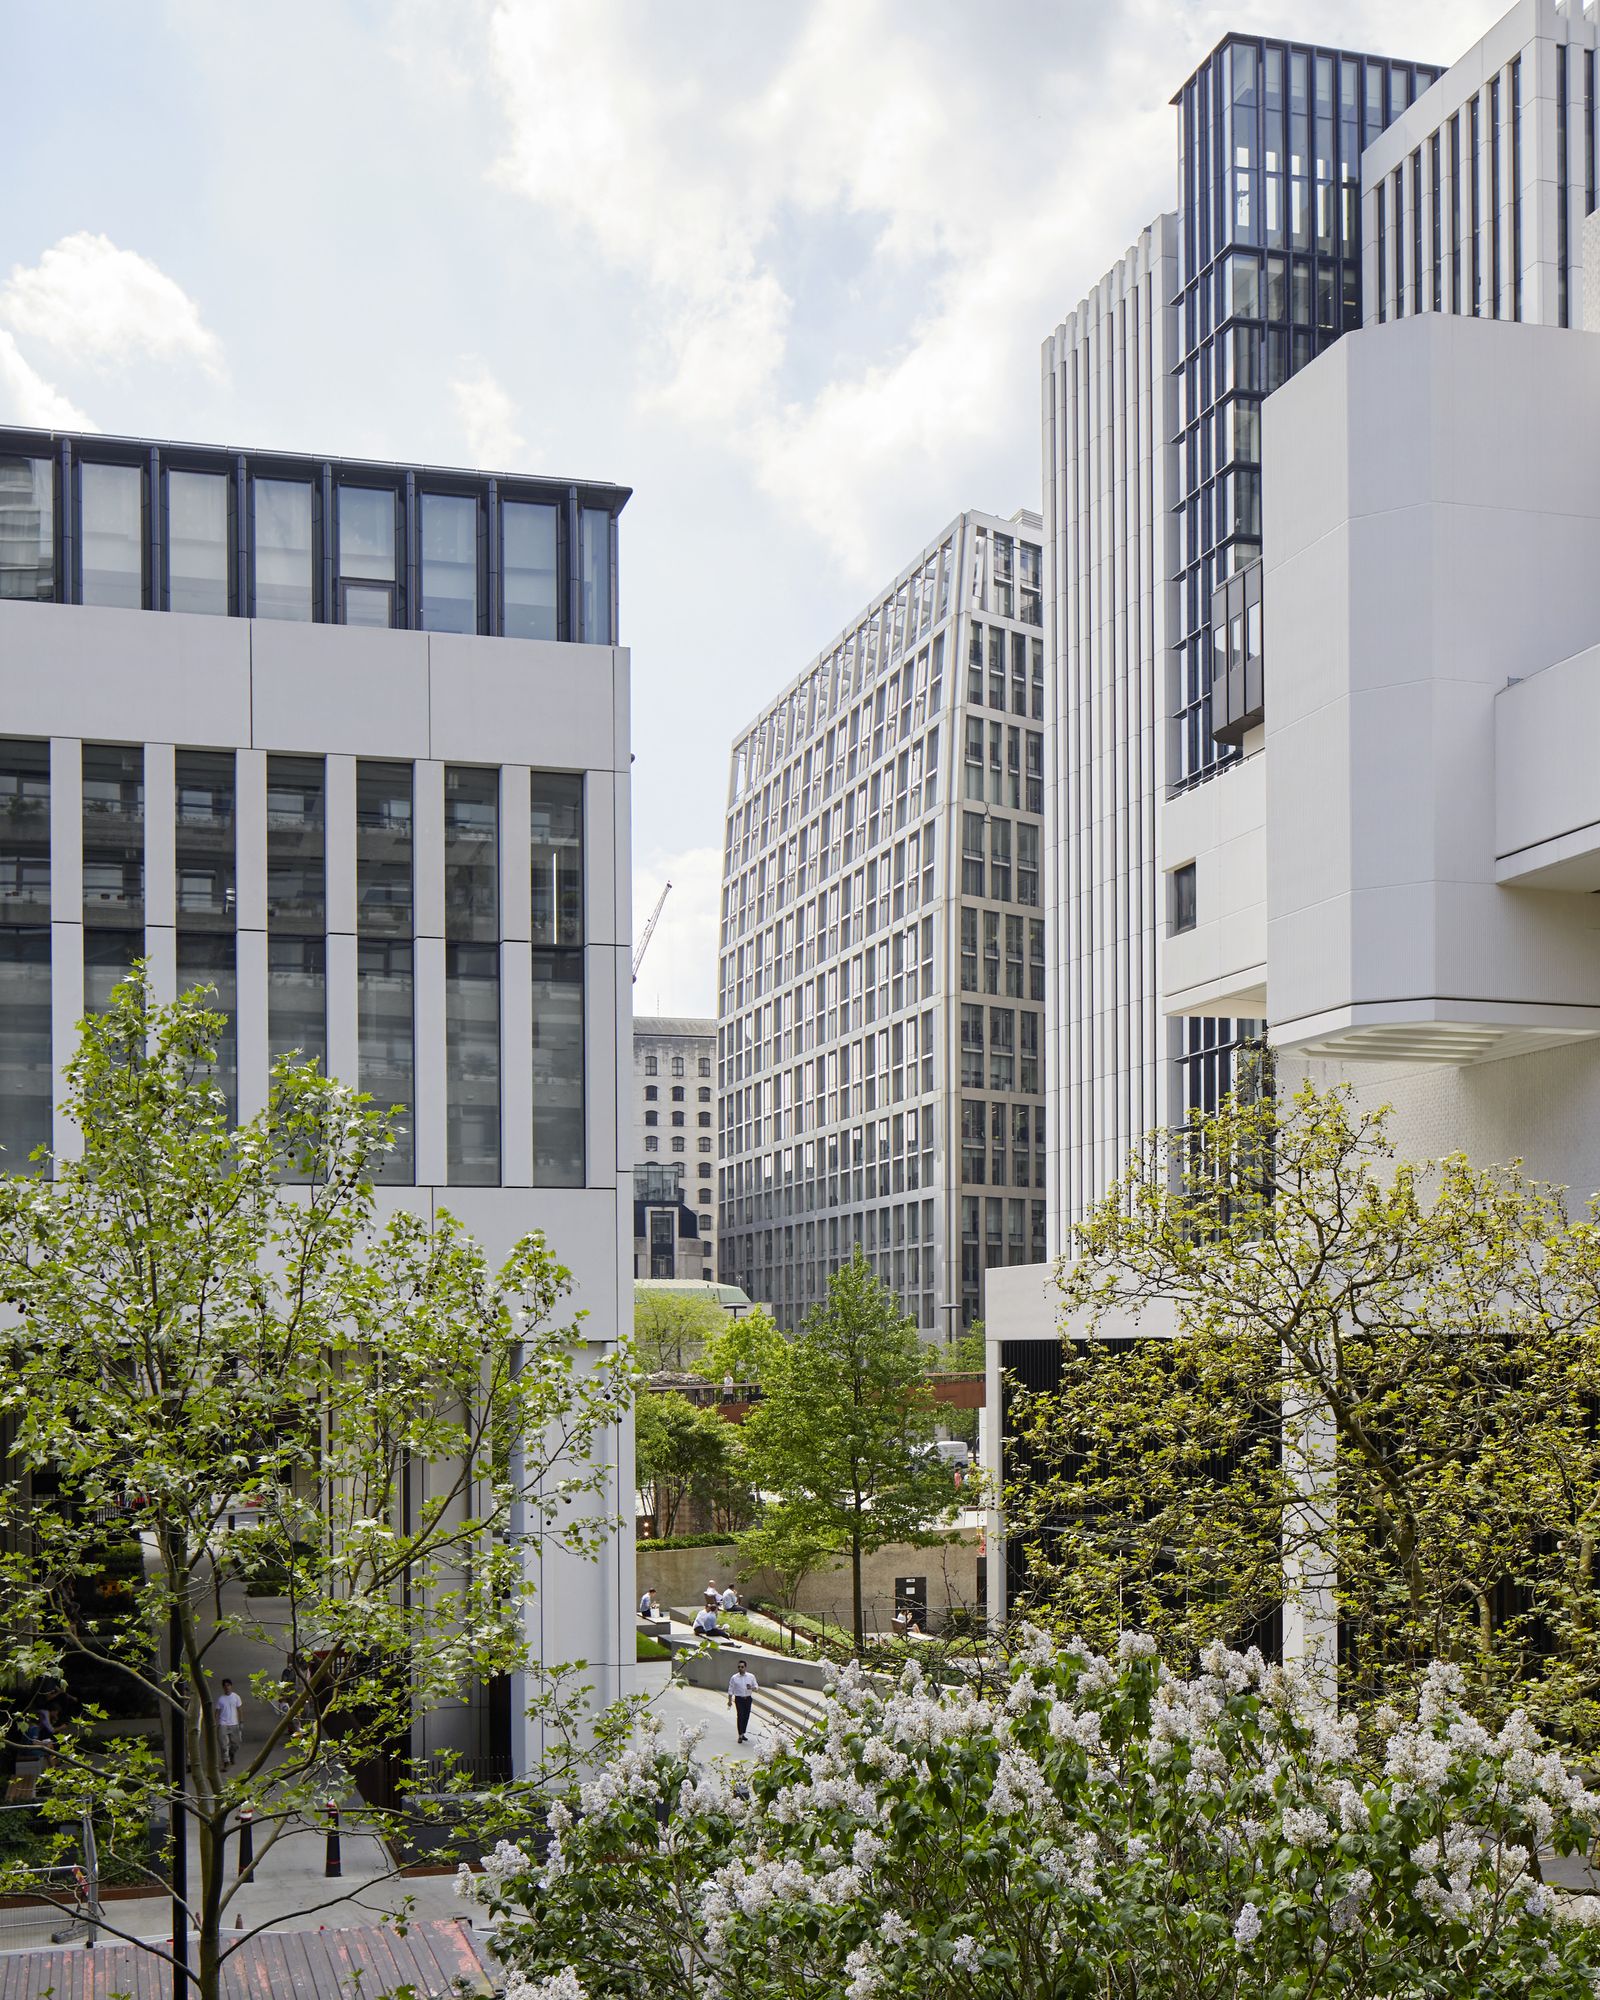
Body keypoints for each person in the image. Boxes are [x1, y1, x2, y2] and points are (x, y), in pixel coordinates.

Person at [727, 1660, 758, 1743]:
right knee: (740, 1715)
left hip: (748, 1698)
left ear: (745, 1667)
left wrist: (751, 1688)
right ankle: (740, 1735)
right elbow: (730, 1689)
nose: (740, 1668)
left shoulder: (751, 1676)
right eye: (739, 1667)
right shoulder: (734, 1678)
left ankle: (743, 1732)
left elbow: (756, 1688)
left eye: (742, 1667)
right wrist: (729, 1701)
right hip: (739, 1699)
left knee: (746, 1716)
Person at [215, 1678, 244, 1768]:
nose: (227, 1687)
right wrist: (214, 1722)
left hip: (234, 1723)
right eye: (225, 1686)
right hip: (223, 1723)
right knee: (224, 1745)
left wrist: (241, 1721)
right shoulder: (221, 1699)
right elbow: (216, 1711)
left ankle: (231, 1754)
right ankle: (226, 1761)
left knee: (236, 1744)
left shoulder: (236, 1697)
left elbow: (240, 1709)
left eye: (228, 1685)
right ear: (223, 1688)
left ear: (231, 1686)